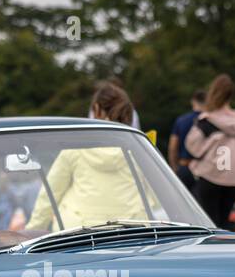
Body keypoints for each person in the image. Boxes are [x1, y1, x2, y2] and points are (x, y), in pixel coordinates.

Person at [27, 82, 148, 231]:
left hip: (76, 235)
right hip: (131, 234)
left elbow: (50, 195)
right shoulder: (140, 153)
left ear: (96, 109)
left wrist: (31, 230)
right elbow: (156, 199)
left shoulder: (75, 149)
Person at [185, 74, 235, 229]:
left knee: (209, 224)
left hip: (210, 175)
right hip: (234, 177)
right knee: (224, 222)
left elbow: (192, 146)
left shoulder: (207, 120)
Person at [168, 90, 206, 191]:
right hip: (204, 171)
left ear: (193, 101)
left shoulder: (181, 120)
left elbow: (172, 147)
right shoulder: (210, 121)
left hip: (184, 166)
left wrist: (174, 167)